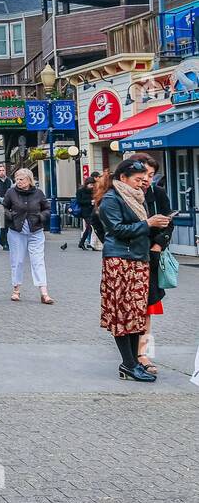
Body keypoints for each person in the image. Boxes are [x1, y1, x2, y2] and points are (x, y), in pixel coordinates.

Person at [95, 158, 172, 382]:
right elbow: (116, 229)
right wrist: (148, 224)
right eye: (138, 179)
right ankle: (129, 363)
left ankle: (136, 361)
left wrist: (156, 238)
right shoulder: (112, 198)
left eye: (146, 178)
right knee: (123, 314)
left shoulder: (137, 197)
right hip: (121, 261)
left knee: (136, 313)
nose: (142, 183)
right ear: (123, 178)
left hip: (139, 259)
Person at [128, 153, 173, 376]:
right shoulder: (121, 194)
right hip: (127, 256)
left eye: (151, 174)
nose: (147, 178)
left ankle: (144, 352)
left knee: (147, 307)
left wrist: (158, 246)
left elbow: (168, 222)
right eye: (144, 173)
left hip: (151, 256)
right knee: (128, 307)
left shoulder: (157, 193)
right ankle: (129, 352)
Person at [3, 168, 52, 304]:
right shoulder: (11, 192)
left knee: (38, 261)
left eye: (21, 179)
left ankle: (44, 292)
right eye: (16, 179)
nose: (18, 182)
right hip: (17, 231)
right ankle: (16, 289)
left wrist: (41, 217)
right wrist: (11, 216)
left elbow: (47, 208)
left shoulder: (38, 193)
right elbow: (4, 207)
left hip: (35, 230)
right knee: (17, 260)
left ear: (29, 180)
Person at [76, 172, 100, 250]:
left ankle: (82, 243)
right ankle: (82, 242)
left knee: (89, 227)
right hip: (85, 211)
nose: (92, 186)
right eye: (91, 185)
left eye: (93, 185)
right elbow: (79, 201)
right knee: (90, 226)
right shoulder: (80, 191)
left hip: (92, 210)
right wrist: (90, 202)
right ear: (87, 184)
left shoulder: (94, 191)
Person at [0, 164, 13, 250]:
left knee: (8, 225)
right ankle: (5, 243)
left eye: (3, 170)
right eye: (0, 170)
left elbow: (12, 192)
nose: (2, 172)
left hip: (9, 206)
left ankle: (1, 238)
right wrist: (4, 199)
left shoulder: (9, 181)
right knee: (2, 225)